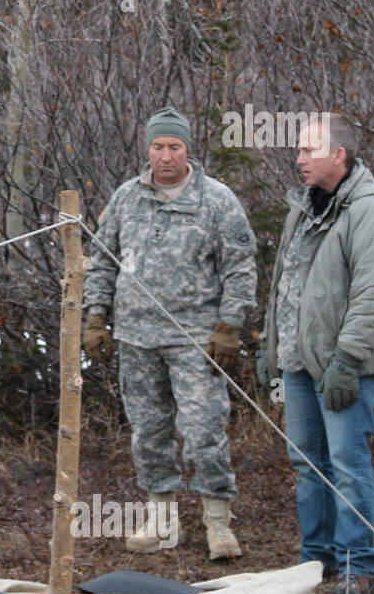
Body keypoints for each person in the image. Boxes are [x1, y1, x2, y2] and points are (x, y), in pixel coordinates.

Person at [83, 106, 257, 558]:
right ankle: (161, 516)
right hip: (136, 338)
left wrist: (229, 327)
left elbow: (240, 268)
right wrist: (96, 317)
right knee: (148, 431)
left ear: (187, 149)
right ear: (148, 150)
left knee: (203, 430)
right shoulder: (127, 198)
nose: (165, 156)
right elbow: (101, 261)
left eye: (174, 147)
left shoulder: (216, 200)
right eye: (158, 146)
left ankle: (217, 519)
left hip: (196, 338)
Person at [257, 115, 374, 594]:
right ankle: (315, 561)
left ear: (338, 154)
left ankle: (357, 567)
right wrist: (271, 346)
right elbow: (286, 282)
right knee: (307, 464)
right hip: (299, 364)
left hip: (344, 366)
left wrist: (347, 359)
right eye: (299, 150)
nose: (298, 159)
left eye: (309, 150)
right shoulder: (304, 206)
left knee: (347, 464)